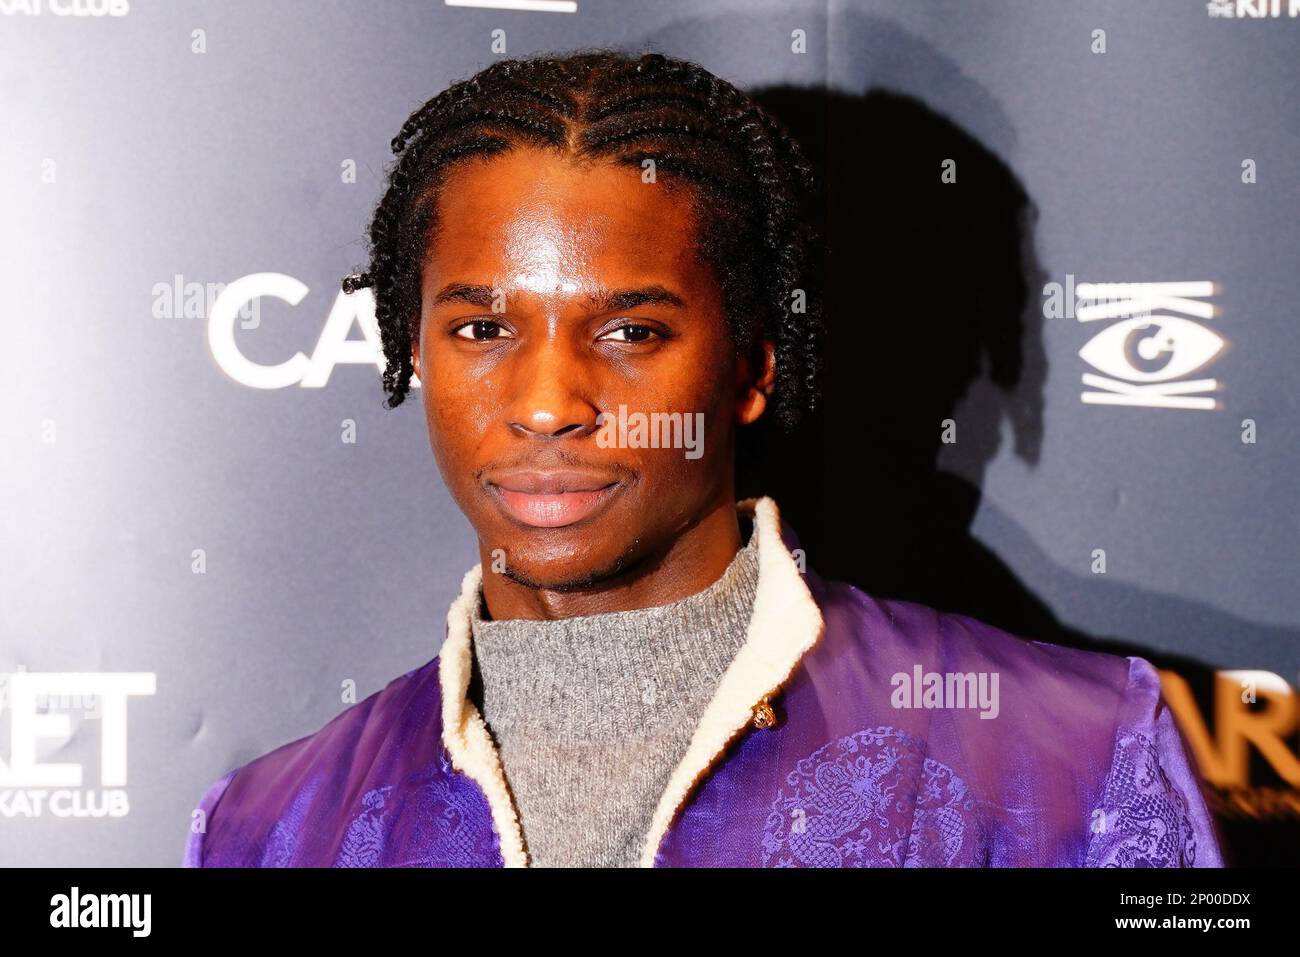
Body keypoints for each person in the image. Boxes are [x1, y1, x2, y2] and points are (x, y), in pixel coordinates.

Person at [183, 50, 1223, 868]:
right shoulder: (270, 828)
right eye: (480, 331)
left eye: (630, 332)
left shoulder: (1071, 759)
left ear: (751, 369)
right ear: (411, 352)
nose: (546, 404)